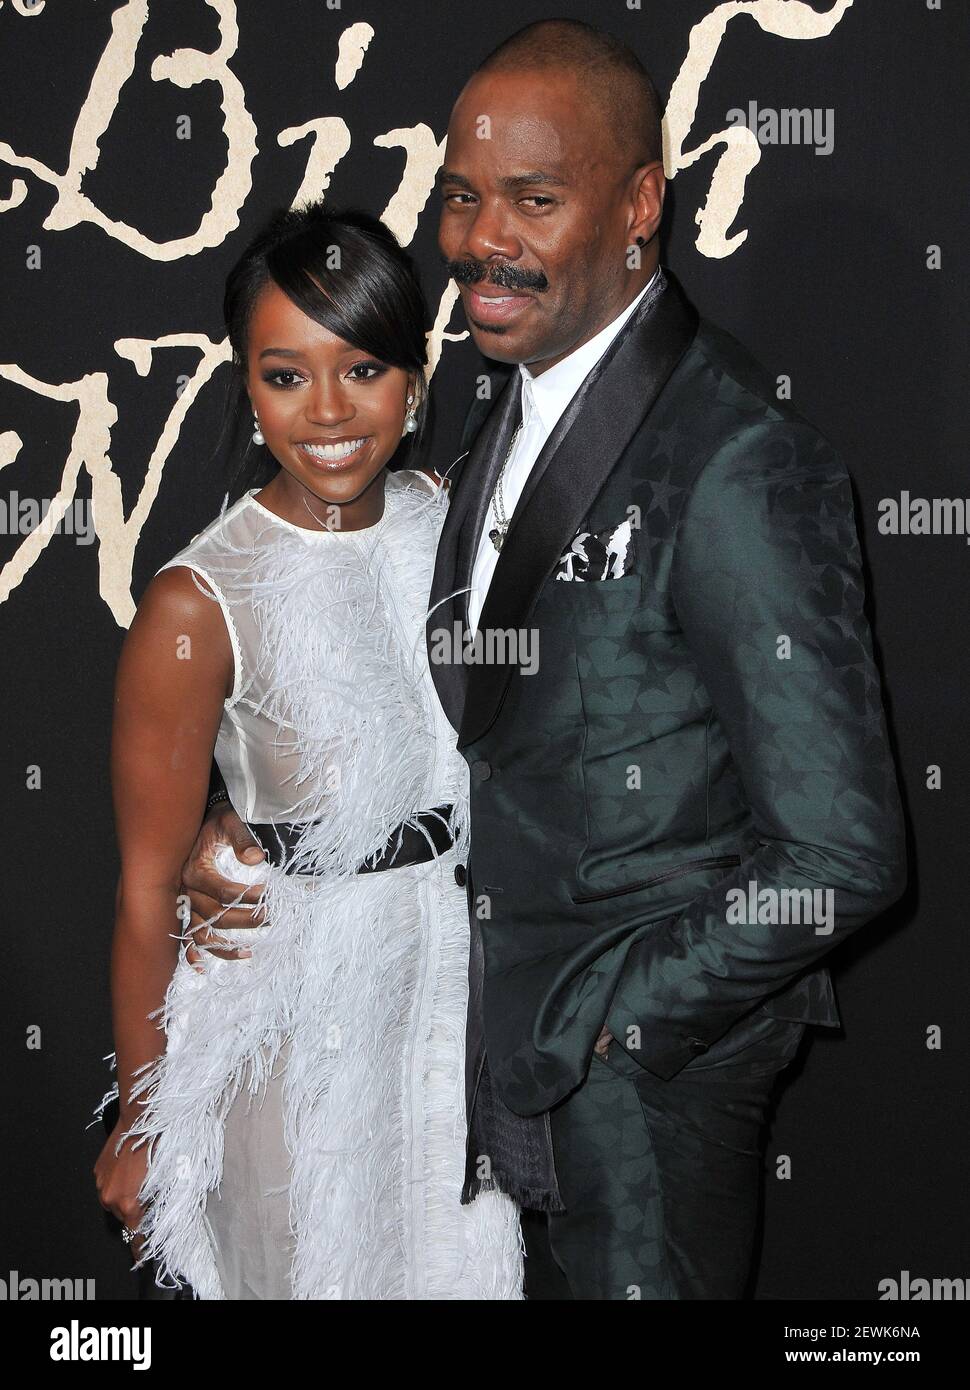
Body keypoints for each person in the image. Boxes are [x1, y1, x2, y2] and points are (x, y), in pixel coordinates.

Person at [181, 20, 907, 1300]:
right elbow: (483, 723)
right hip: (468, 1057)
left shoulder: (735, 460)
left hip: (637, 1103)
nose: (479, 239)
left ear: (638, 206)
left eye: (533, 198)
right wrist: (259, 831)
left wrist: (606, 1024)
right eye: (463, 198)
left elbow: (843, 857)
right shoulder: (497, 400)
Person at [93, 202, 524, 1300]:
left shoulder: (457, 523)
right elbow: (148, 889)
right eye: (286, 376)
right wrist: (144, 1124)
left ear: (416, 378)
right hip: (289, 1029)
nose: (328, 412)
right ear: (244, 386)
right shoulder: (200, 599)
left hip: (449, 1021)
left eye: (363, 368)